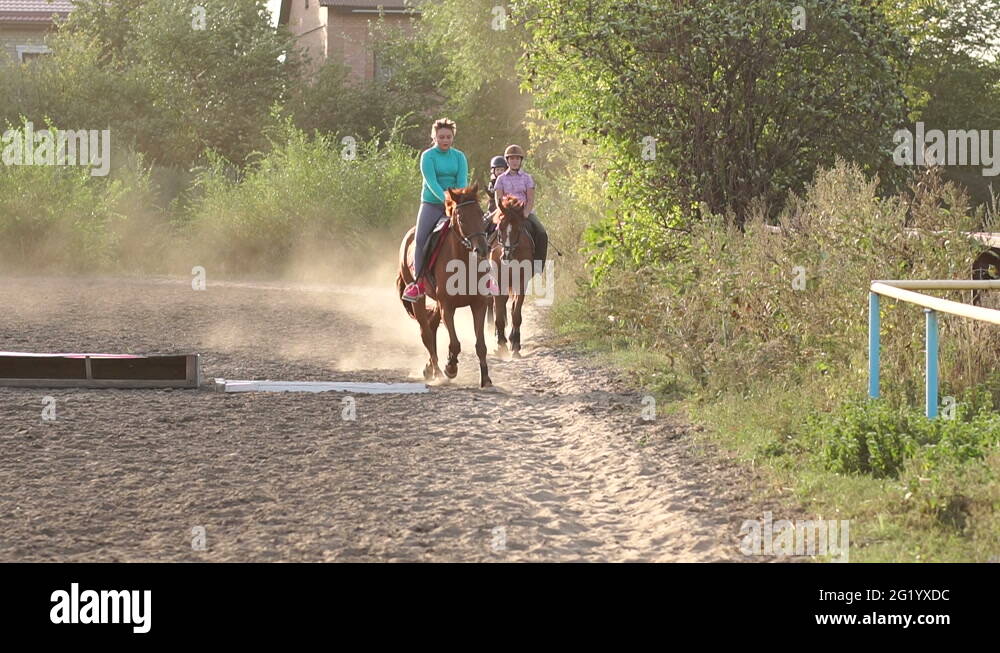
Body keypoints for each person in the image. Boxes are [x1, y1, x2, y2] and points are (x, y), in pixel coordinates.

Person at [402, 118, 469, 303]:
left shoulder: (459, 157)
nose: (445, 140)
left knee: (474, 233)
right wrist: (447, 200)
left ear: (453, 137)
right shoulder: (428, 156)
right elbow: (431, 183)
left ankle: (484, 278)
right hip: (432, 204)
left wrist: (458, 200)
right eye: (441, 137)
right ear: (434, 137)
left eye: (448, 137)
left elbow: (462, 181)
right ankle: (418, 283)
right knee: (421, 239)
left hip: (456, 204)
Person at [492, 144, 548, 273]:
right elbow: (498, 199)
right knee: (485, 229)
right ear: (507, 161)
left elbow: (530, 199)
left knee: (541, 233)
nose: (515, 161)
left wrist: (525, 214)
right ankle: (482, 264)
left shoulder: (527, 178)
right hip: (505, 213)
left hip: (523, 213)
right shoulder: (500, 179)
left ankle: (538, 266)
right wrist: (503, 213)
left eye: (517, 159)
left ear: (521, 160)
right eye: (512, 159)